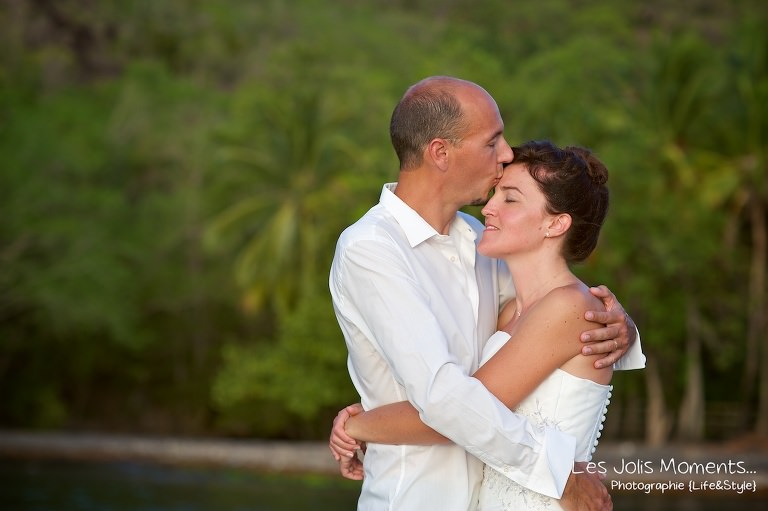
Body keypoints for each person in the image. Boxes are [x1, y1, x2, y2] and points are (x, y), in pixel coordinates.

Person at [328, 76, 645, 511]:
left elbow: (551, 311)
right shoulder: (373, 250)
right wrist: (557, 470)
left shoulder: (478, 243)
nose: (507, 153)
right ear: (441, 153)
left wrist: (621, 327)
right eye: (492, 141)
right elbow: (443, 396)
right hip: (416, 499)